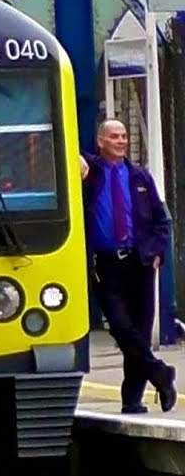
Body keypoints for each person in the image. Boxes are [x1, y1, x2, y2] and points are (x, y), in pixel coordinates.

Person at [79, 119, 177, 413]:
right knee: (122, 328)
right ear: (100, 142)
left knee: (141, 330)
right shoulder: (90, 173)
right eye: (113, 137)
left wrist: (158, 251)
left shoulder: (140, 177)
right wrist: (79, 158)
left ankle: (132, 400)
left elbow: (162, 221)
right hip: (106, 266)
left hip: (140, 263)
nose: (121, 141)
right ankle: (160, 373)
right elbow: (63, 148)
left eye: (123, 136)